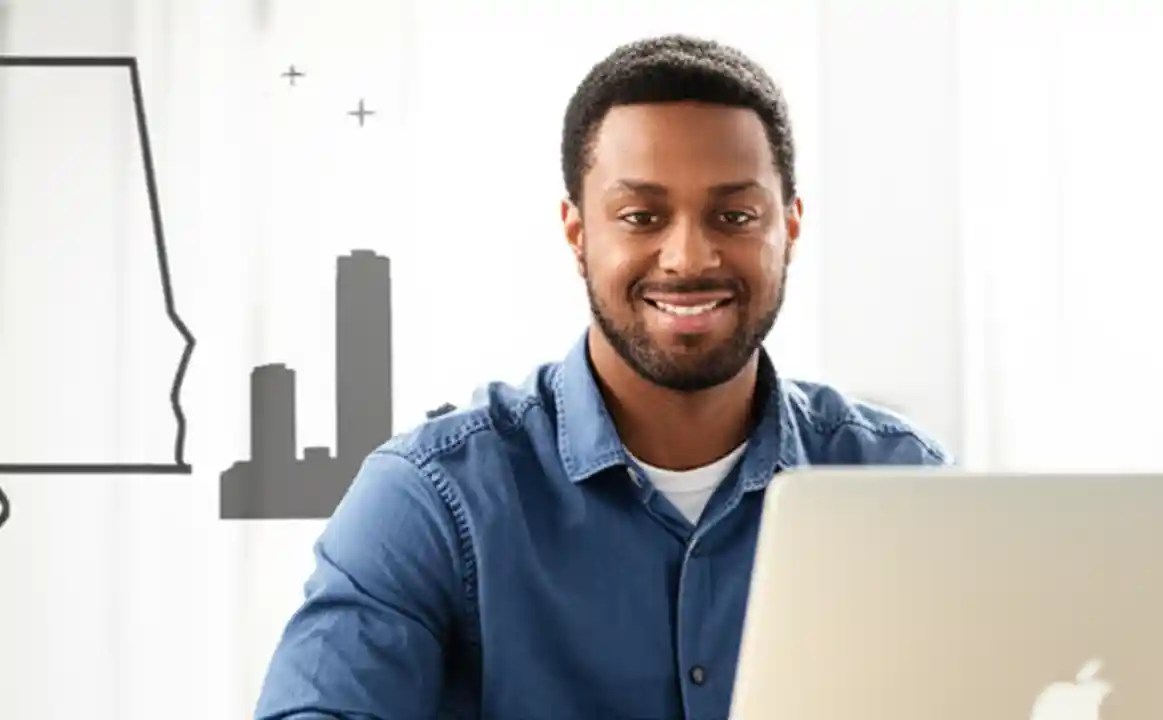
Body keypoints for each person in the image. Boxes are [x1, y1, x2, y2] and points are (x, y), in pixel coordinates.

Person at [254, 33, 950, 720]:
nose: (687, 256)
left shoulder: (902, 485)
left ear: (790, 228)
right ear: (577, 231)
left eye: (734, 216)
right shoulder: (433, 501)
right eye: (641, 217)